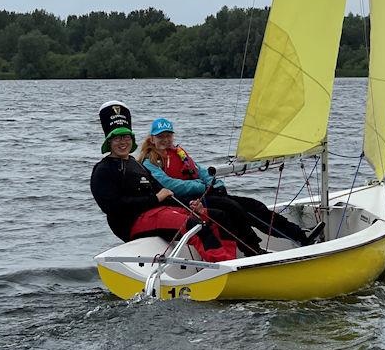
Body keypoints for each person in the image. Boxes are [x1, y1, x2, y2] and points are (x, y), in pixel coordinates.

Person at [138, 117, 322, 251]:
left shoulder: (179, 153)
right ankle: (253, 249)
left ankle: (299, 236)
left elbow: (200, 170)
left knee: (254, 205)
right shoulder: (149, 162)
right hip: (186, 202)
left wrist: (213, 182)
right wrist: (203, 186)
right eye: (160, 136)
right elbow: (171, 185)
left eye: (168, 135)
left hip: (205, 195)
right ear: (152, 139)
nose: (165, 140)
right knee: (234, 209)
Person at [90, 102, 235, 262]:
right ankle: (221, 265)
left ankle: (233, 263)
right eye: (117, 138)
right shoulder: (103, 170)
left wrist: (191, 205)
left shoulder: (134, 163)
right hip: (132, 223)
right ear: (109, 142)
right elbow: (112, 207)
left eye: (126, 137)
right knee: (195, 226)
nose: (122, 142)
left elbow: (163, 192)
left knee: (216, 217)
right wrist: (154, 199)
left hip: (159, 211)